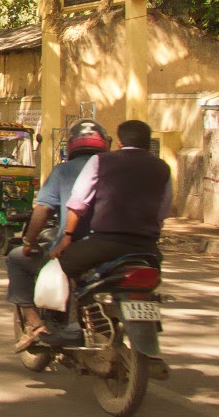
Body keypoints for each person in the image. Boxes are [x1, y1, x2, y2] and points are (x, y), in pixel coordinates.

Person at [9, 120, 109, 352]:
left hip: (75, 246)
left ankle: (36, 325)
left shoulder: (63, 171)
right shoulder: (114, 169)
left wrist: (28, 242)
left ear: (72, 145)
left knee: (17, 260)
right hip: (118, 245)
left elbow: (43, 209)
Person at [51, 119, 173, 279]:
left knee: (60, 267)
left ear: (120, 142)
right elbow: (162, 213)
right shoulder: (163, 168)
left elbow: (77, 203)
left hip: (105, 243)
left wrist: (67, 237)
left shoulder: (100, 160)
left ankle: (75, 303)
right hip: (146, 248)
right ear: (149, 143)